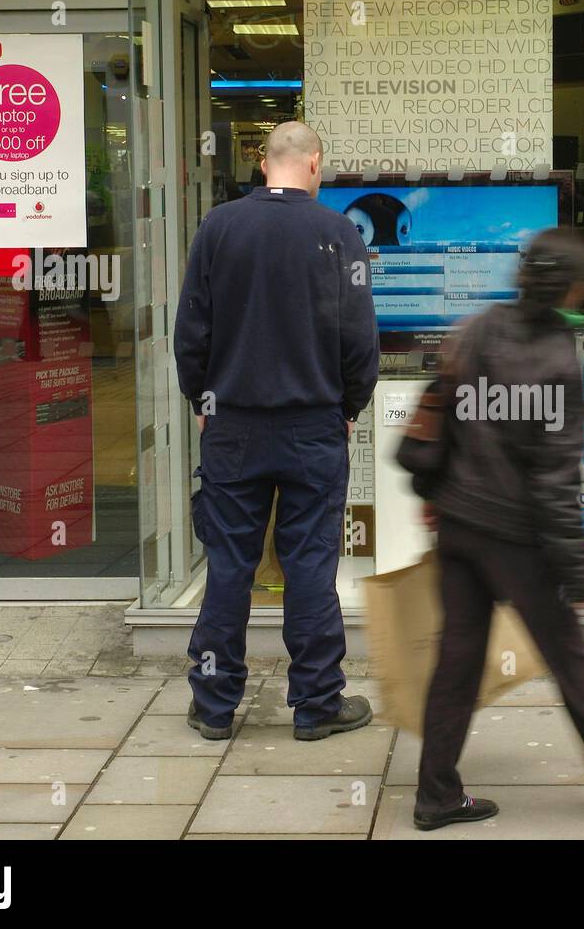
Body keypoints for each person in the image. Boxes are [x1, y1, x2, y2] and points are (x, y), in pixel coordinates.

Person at [411, 228, 584, 830]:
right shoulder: (560, 360)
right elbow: (554, 484)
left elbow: (447, 413)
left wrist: (434, 498)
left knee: (457, 661)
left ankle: (436, 795)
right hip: (516, 539)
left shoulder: (482, 326)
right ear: (574, 289)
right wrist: (581, 574)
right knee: (570, 661)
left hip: (458, 524)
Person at [173, 121, 379, 742]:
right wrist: (349, 405)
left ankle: (213, 706)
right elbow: (359, 340)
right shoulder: (340, 233)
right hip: (312, 427)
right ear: (314, 164)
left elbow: (191, 331)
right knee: (311, 564)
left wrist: (200, 398)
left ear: (266, 163)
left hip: (233, 424)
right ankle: (317, 704)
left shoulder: (219, 228)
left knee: (230, 563)